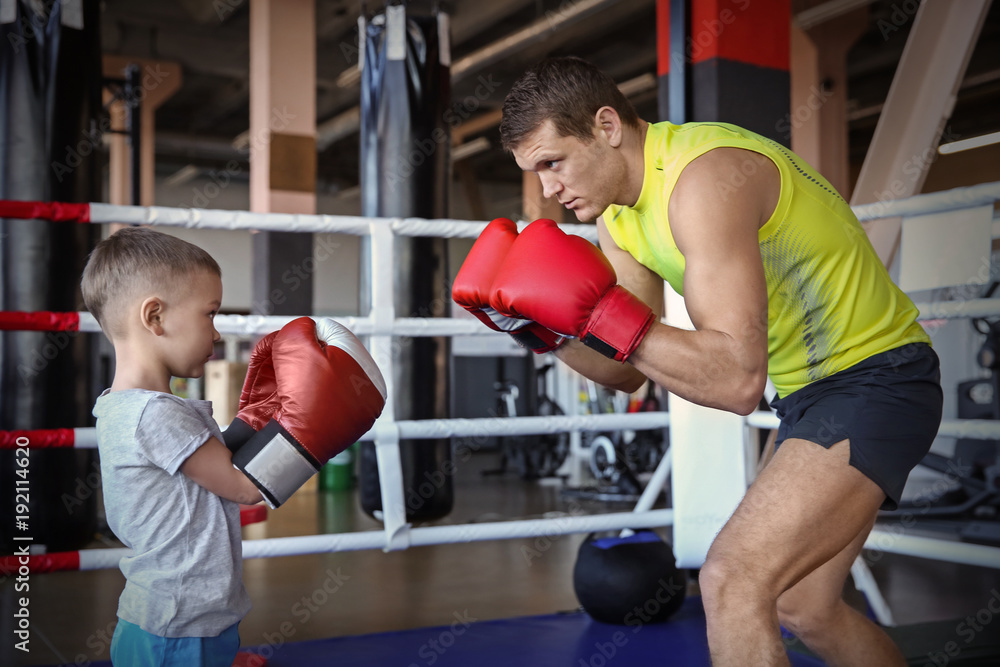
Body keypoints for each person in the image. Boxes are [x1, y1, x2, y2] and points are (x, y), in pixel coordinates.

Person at [458, 57, 943, 666]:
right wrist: (541, 331)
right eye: (535, 172)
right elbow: (629, 368)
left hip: (879, 378)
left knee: (730, 579)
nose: (548, 190)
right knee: (803, 606)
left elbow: (738, 379)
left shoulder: (705, 180)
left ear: (607, 125)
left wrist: (599, 315)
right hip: (811, 397)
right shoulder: (619, 219)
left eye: (552, 163)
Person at [81, 226, 387, 666]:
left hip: (188, 620)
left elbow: (212, 467)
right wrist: (310, 433)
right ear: (155, 317)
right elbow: (245, 487)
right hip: (178, 631)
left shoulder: (134, 407)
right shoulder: (155, 414)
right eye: (210, 314)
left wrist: (261, 416)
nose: (218, 333)